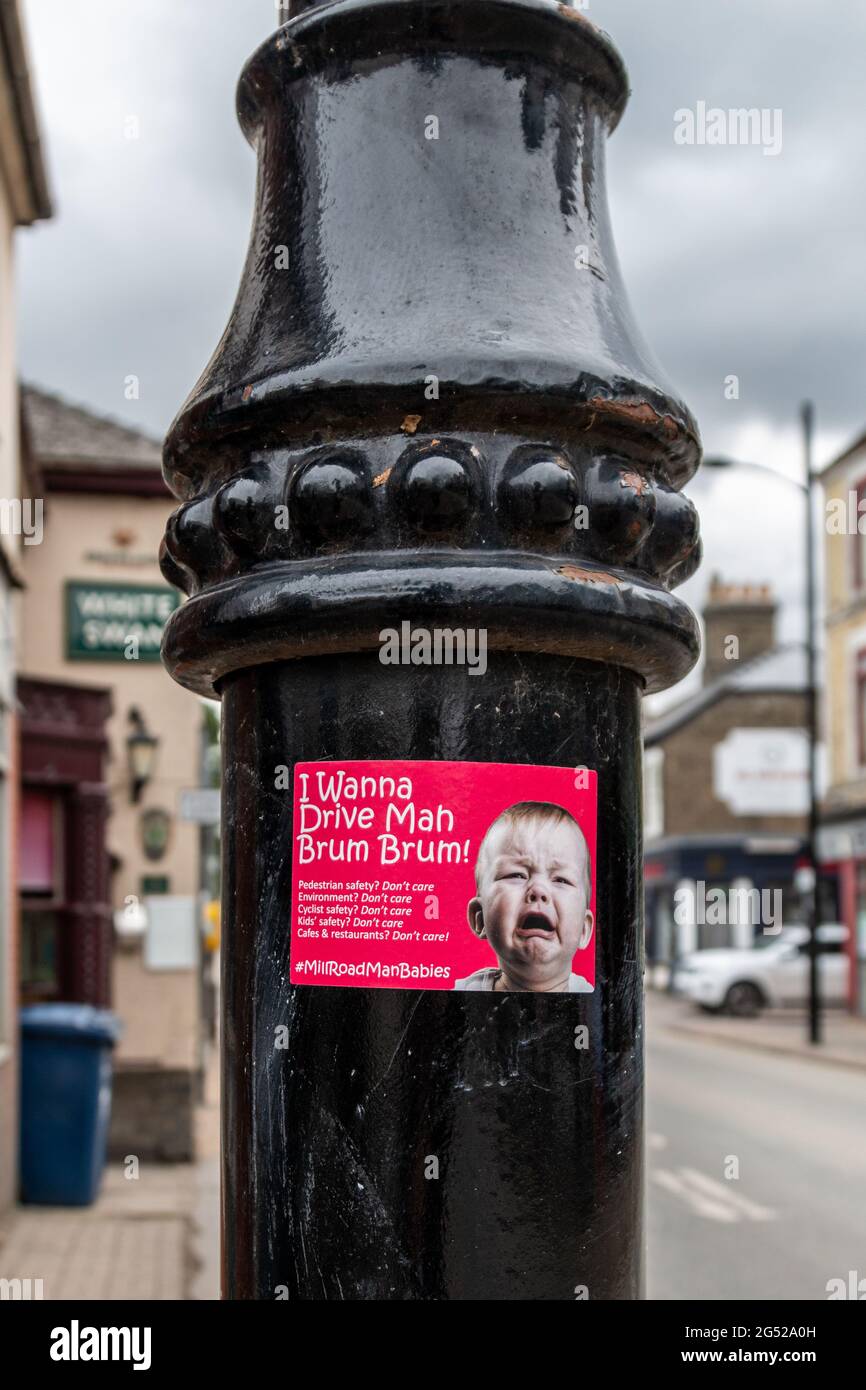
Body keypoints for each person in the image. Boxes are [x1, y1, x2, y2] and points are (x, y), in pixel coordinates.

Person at [453, 801, 594, 993]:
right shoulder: (461, 996)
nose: (538, 890)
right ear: (480, 918)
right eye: (516, 875)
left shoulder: (595, 1002)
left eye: (561, 880)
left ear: (584, 929)